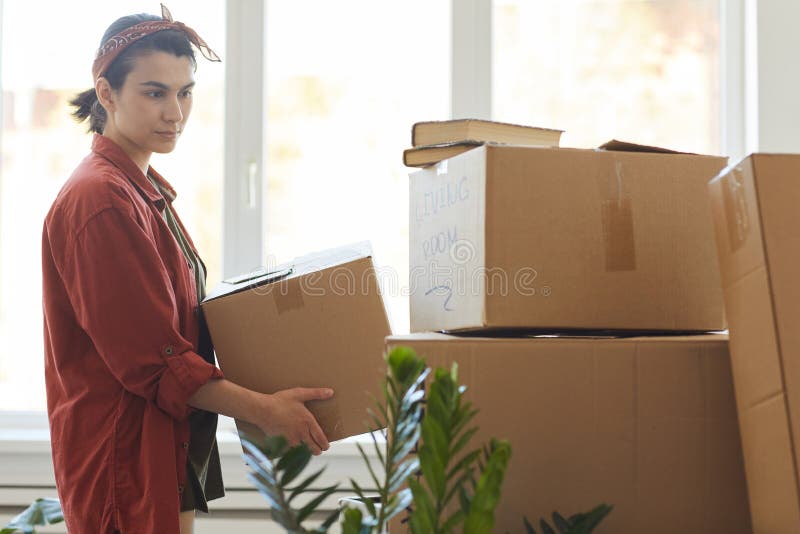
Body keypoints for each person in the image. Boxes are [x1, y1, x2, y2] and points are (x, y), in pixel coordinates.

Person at [41, 5, 333, 533]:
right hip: (125, 464)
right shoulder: (102, 201)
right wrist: (267, 410)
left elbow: (182, 331)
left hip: (163, 454)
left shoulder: (143, 193)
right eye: (155, 92)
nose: (175, 111)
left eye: (186, 91)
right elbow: (158, 360)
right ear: (106, 94)